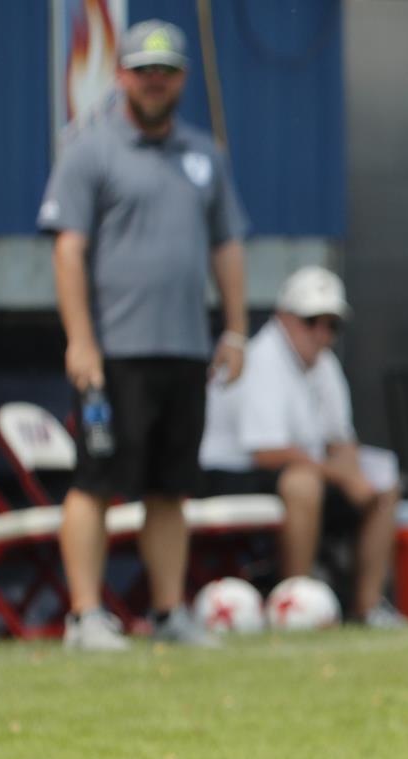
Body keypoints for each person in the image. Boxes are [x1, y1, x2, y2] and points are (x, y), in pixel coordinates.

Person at [37, 19, 248, 650]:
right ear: (122, 77)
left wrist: (236, 330)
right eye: (143, 71)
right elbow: (68, 252)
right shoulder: (90, 151)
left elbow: (227, 246)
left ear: (183, 78)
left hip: (184, 350)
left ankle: (167, 612)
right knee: (96, 482)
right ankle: (84, 617)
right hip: (115, 355)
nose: (155, 81)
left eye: (167, 72)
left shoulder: (204, 156)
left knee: (170, 488)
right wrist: (81, 340)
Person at [199, 267, 405, 627]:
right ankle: (294, 606)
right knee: (303, 484)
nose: (322, 334)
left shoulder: (325, 364)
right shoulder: (262, 358)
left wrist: (357, 475)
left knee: (385, 485)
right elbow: (267, 452)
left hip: (288, 468)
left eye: (332, 325)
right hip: (225, 472)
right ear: (284, 318)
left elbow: (340, 439)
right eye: (312, 322)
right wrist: (344, 479)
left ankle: (368, 607)